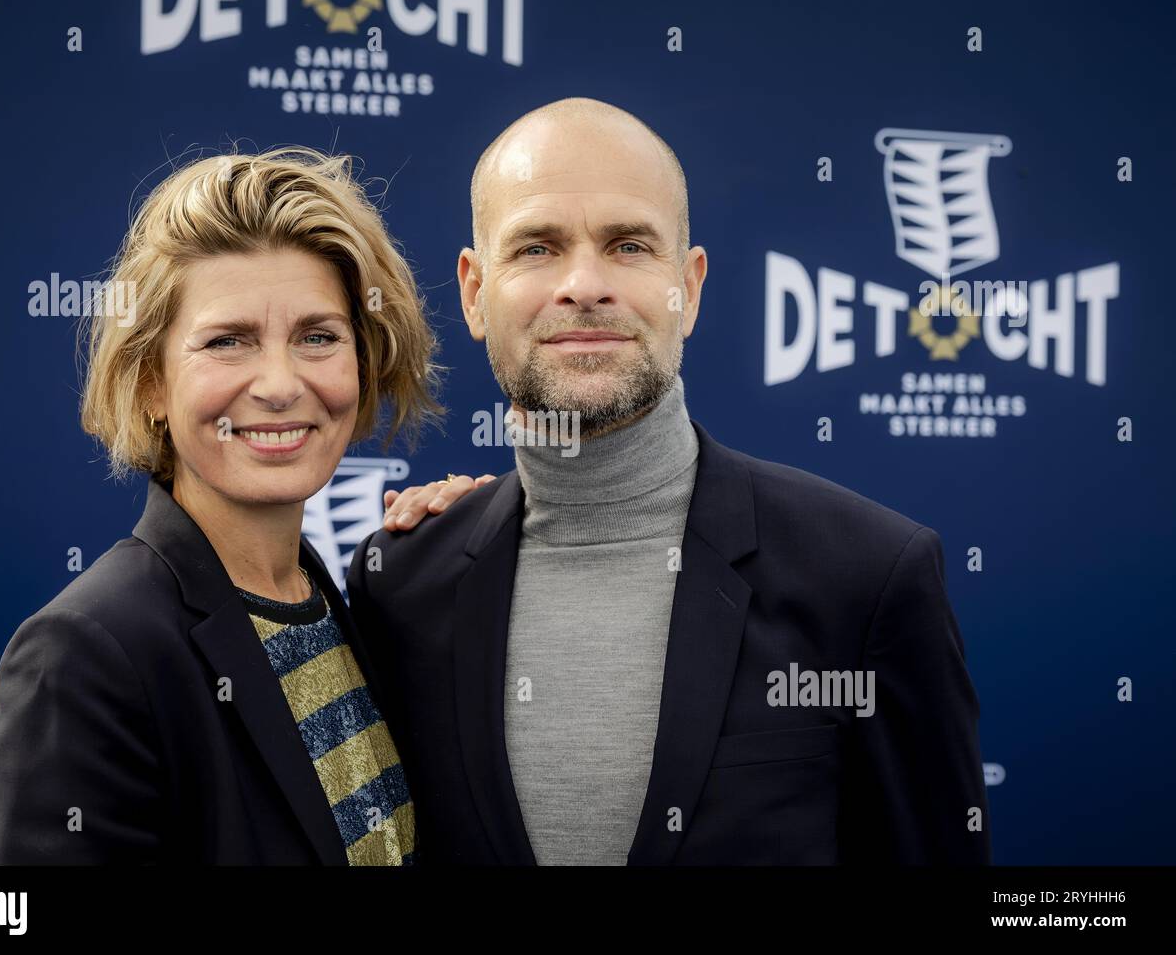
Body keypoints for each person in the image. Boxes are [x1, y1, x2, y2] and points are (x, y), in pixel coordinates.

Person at [349, 98, 993, 865]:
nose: (584, 285)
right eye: (537, 248)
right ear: (474, 291)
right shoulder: (403, 584)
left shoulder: (867, 575)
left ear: (688, 286)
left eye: (627, 246)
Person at [0, 147, 486, 864]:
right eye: (227, 341)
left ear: (364, 365)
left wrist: (479, 545)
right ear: (151, 382)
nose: (279, 383)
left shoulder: (345, 611)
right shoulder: (85, 655)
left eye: (317, 337)